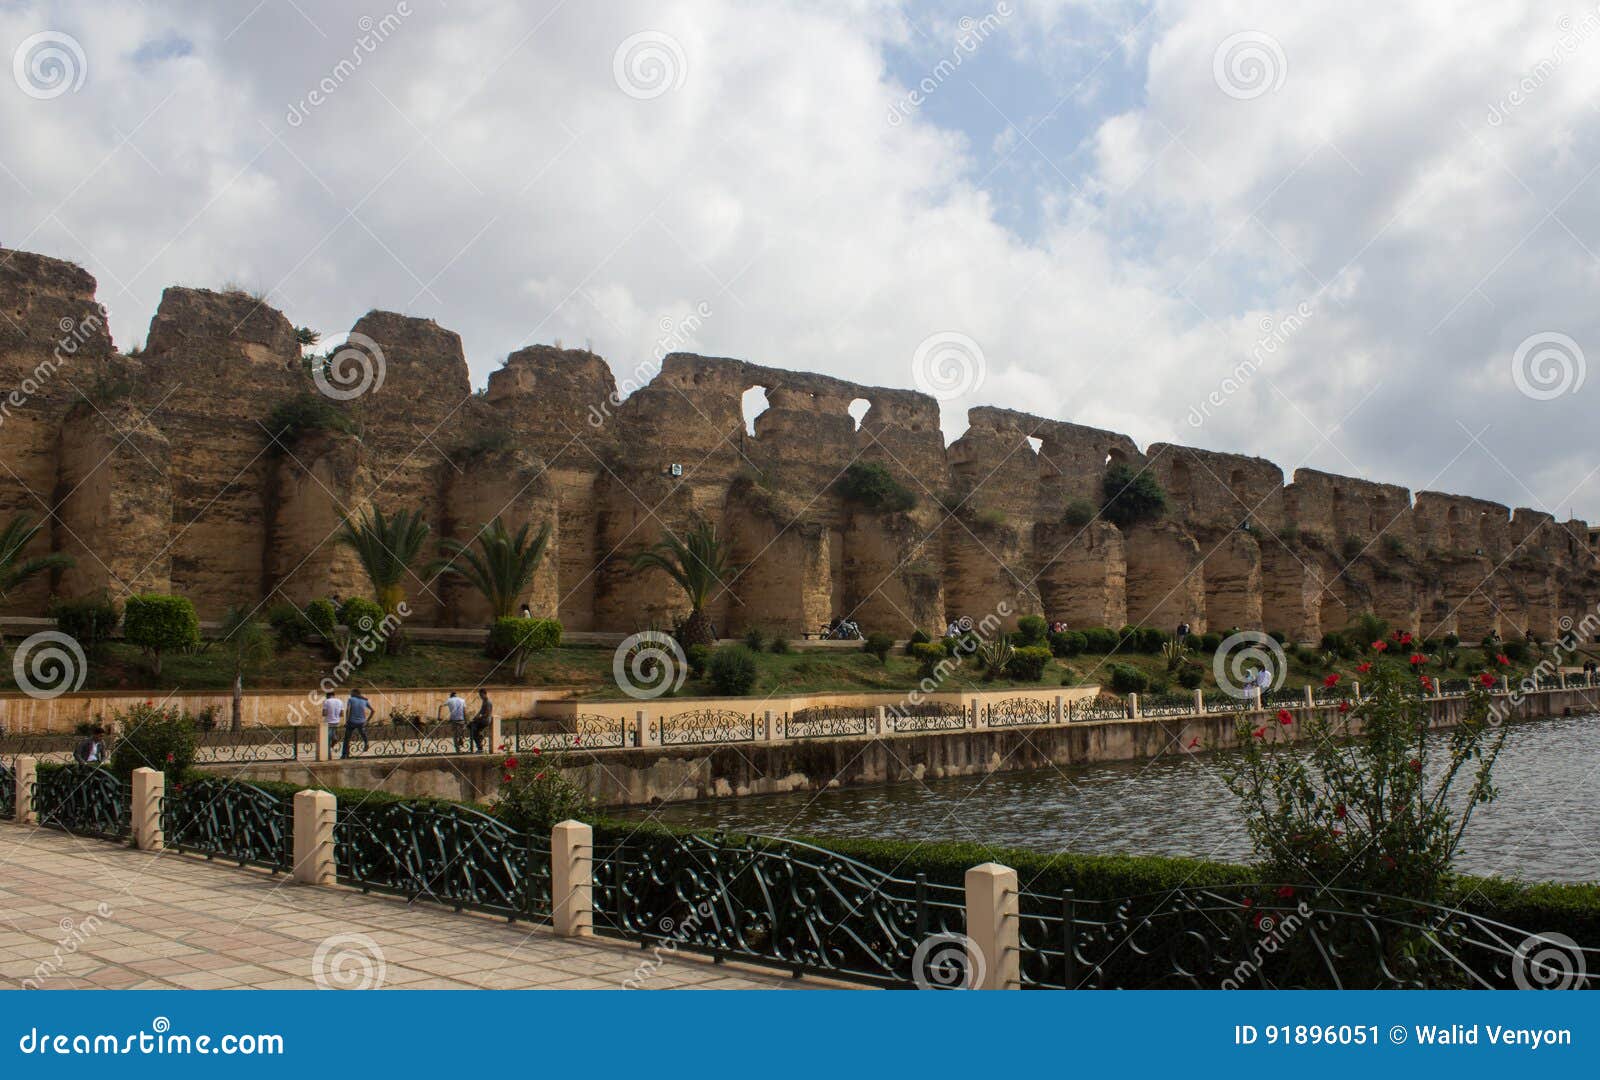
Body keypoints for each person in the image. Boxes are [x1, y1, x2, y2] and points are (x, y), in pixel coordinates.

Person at [341, 688, 370, 758]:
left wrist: (346, 721)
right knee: (362, 733)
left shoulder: (351, 700)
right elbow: (373, 710)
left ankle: (345, 754)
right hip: (362, 722)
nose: (350, 694)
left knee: (347, 738)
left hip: (352, 722)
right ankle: (366, 742)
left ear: (355, 693)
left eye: (351, 693)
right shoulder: (365, 700)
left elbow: (348, 710)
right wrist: (367, 720)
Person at [469, 688, 493, 753]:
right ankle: (479, 736)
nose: (480, 697)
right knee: (471, 726)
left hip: (485, 720)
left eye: (481, 695)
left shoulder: (488, 702)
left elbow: (487, 714)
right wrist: (476, 716)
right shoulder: (484, 701)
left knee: (473, 730)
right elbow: (481, 711)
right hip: (482, 720)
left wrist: (478, 718)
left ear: (484, 694)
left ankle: (480, 747)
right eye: (480, 695)